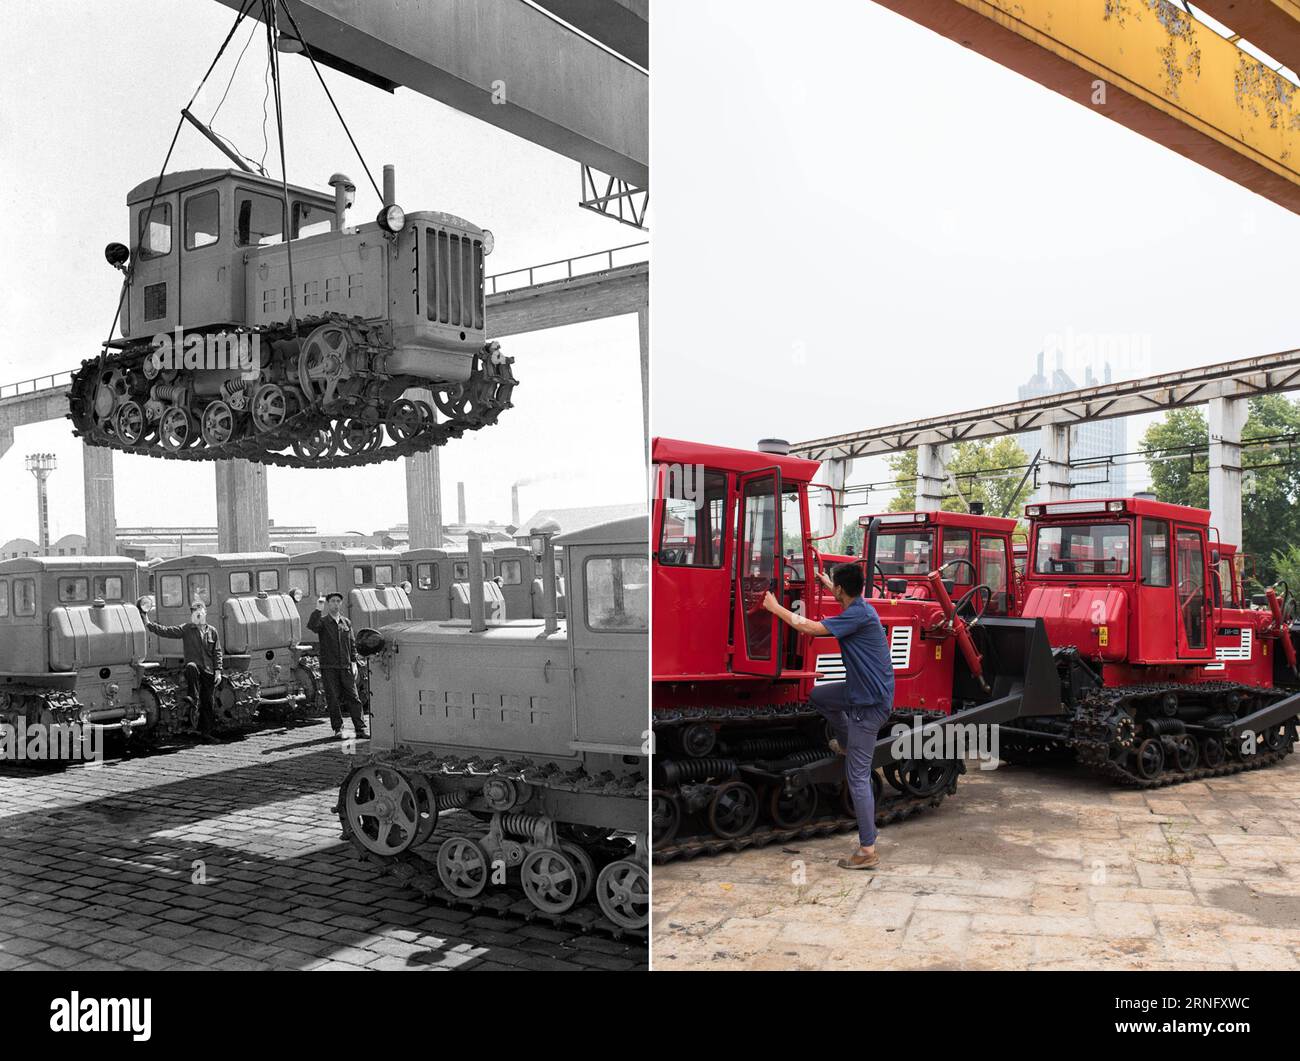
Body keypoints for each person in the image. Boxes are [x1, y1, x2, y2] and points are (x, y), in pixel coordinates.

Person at [762, 562, 895, 870]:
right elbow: (841, 595)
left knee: (858, 777)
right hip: (858, 691)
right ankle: (847, 743)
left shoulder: (856, 616)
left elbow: (809, 628)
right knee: (819, 695)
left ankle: (868, 848)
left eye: (833, 585)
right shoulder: (859, 605)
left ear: (840, 590)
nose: (831, 588)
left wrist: (775, 607)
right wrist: (825, 580)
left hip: (869, 705)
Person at [144, 600, 224, 743]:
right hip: (195, 668)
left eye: (200, 612)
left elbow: (217, 652)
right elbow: (168, 631)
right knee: (191, 666)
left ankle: (205, 733)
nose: (198, 615)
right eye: (195, 612)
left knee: (208, 703)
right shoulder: (187, 629)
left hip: (209, 671)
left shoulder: (212, 631)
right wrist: (149, 624)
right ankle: (193, 697)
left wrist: (218, 670)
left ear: (205, 613)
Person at [308, 592, 368, 741]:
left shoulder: (346, 622)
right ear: (328, 604)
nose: (335, 603)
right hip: (329, 667)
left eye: (338, 601)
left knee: (354, 697)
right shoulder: (323, 622)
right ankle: (338, 729)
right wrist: (317, 609)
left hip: (346, 666)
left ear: (341, 604)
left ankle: (360, 728)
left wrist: (354, 663)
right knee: (333, 699)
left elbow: (352, 644)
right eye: (332, 601)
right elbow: (312, 626)